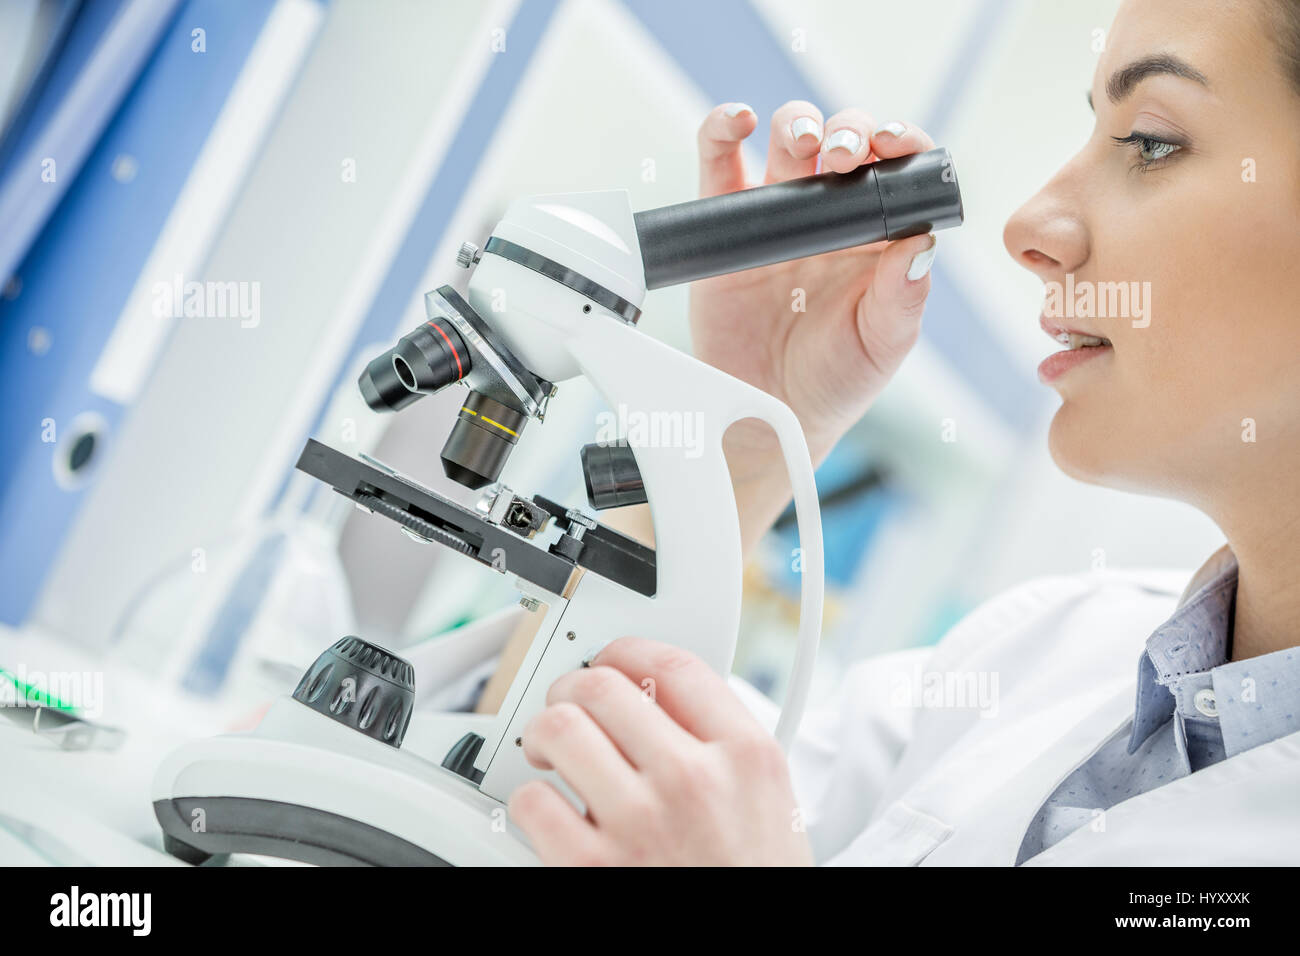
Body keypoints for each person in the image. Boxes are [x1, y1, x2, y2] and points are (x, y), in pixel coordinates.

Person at [504, 0, 1300, 865]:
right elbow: (549, 762)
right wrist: (750, 430)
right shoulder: (1033, 652)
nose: (1028, 226)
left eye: (1151, 142)